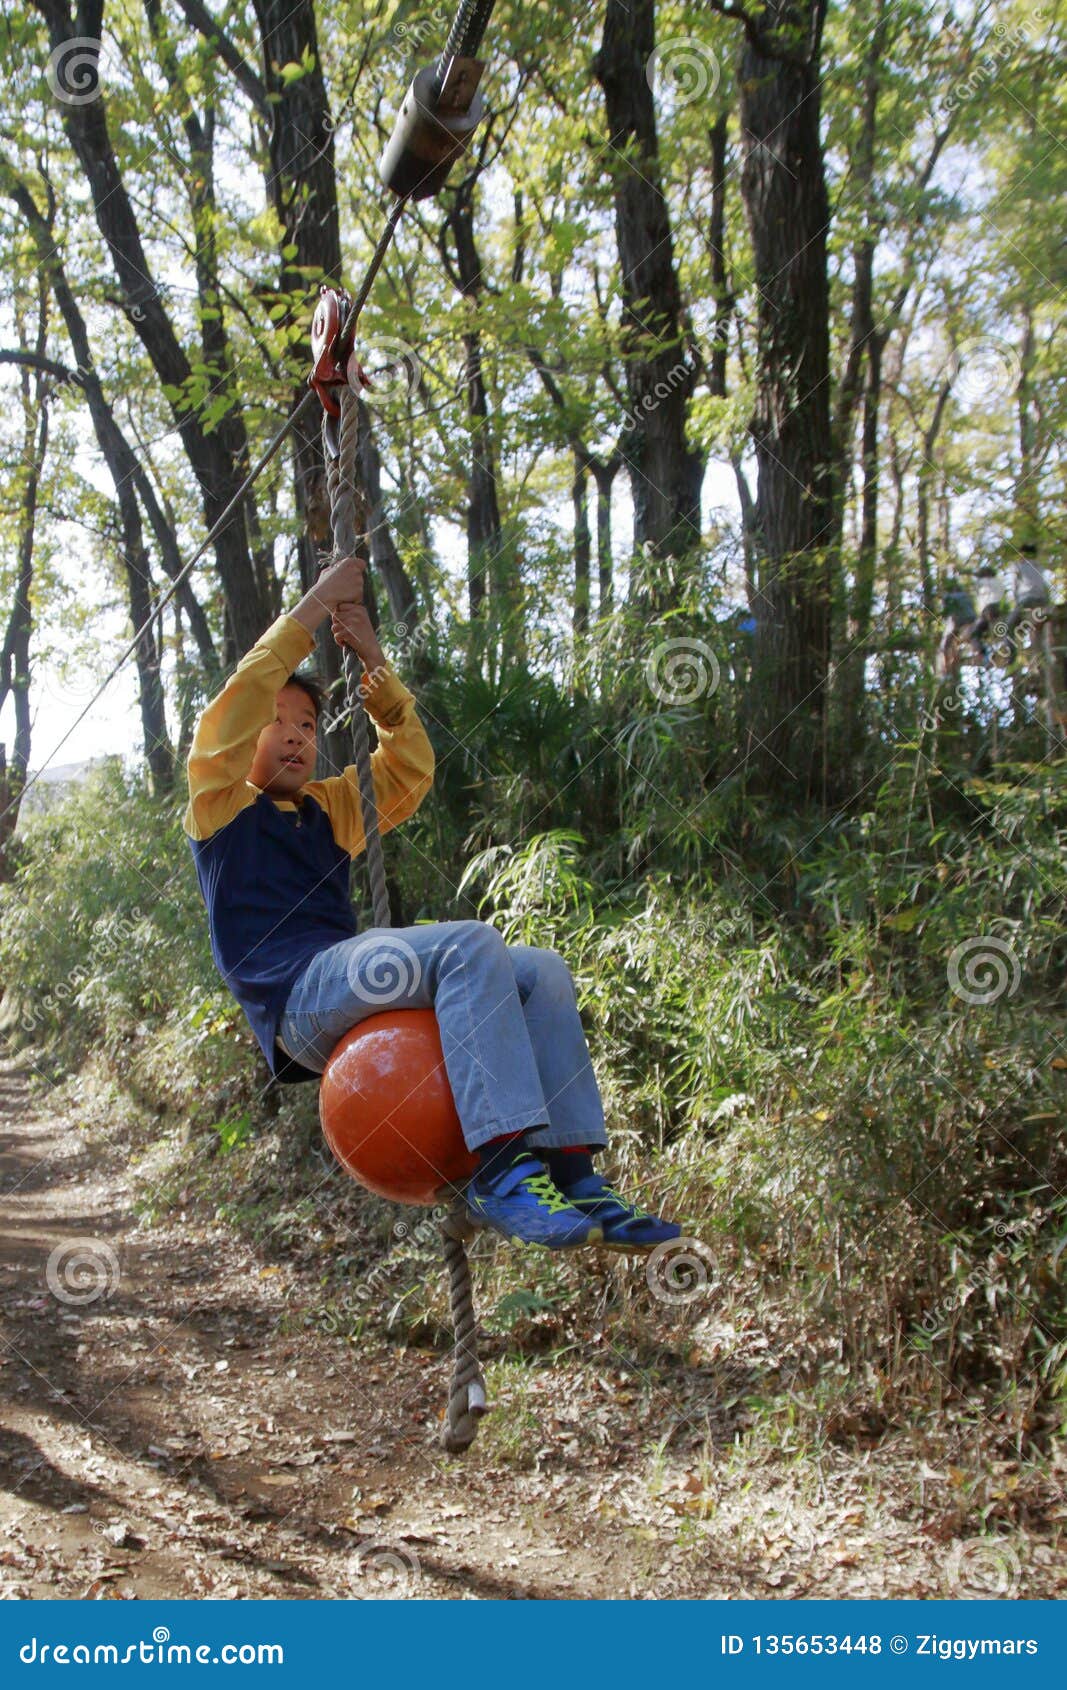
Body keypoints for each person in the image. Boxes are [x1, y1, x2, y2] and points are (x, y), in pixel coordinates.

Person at [182, 554, 680, 1253]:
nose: (294, 734)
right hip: (297, 998)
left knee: (539, 970)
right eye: (277, 721)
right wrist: (318, 604)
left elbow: (409, 771)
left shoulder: (331, 809)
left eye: (305, 723)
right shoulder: (219, 805)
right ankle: (499, 1171)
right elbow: (231, 710)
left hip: (348, 981)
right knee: (469, 943)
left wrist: (376, 667)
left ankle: (571, 1172)